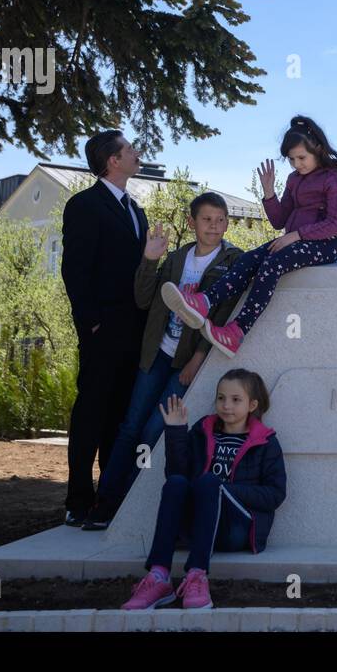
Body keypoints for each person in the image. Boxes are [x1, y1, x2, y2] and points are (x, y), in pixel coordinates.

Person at [81, 193, 245, 530]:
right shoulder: (175, 260)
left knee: (155, 430)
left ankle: (126, 504)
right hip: (156, 354)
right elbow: (143, 299)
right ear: (192, 223)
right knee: (130, 428)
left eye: (220, 219)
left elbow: (223, 314)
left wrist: (199, 358)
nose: (214, 226)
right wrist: (149, 261)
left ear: (227, 223)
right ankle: (105, 502)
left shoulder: (232, 261)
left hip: (184, 362)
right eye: (206, 219)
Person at [163, 116, 337, 357]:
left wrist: (296, 236)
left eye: (302, 158)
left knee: (272, 264)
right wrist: (269, 193)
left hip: (325, 243)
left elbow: (335, 225)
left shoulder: (336, 177)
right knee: (249, 259)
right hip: (293, 240)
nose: (297, 165)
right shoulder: (295, 180)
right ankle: (203, 302)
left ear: (318, 149)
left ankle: (237, 331)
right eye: (292, 160)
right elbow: (278, 221)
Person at [122, 369, 286, 611]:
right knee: (176, 483)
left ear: (252, 405)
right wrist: (176, 432)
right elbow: (177, 473)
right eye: (221, 398)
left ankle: (197, 575)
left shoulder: (265, 442)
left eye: (235, 399)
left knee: (209, 482)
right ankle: (159, 577)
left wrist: (224, 490)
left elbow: (275, 494)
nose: (226, 405)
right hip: (196, 526)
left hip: (235, 530)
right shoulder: (203, 430)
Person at [59, 130, 148, 526]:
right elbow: (74, 270)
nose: (136, 153)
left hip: (136, 331)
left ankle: (108, 499)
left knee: (120, 416)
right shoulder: (84, 205)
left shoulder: (137, 210)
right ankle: (78, 501)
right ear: (113, 160)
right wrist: (91, 323)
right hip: (102, 330)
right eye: (129, 149)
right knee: (91, 413)